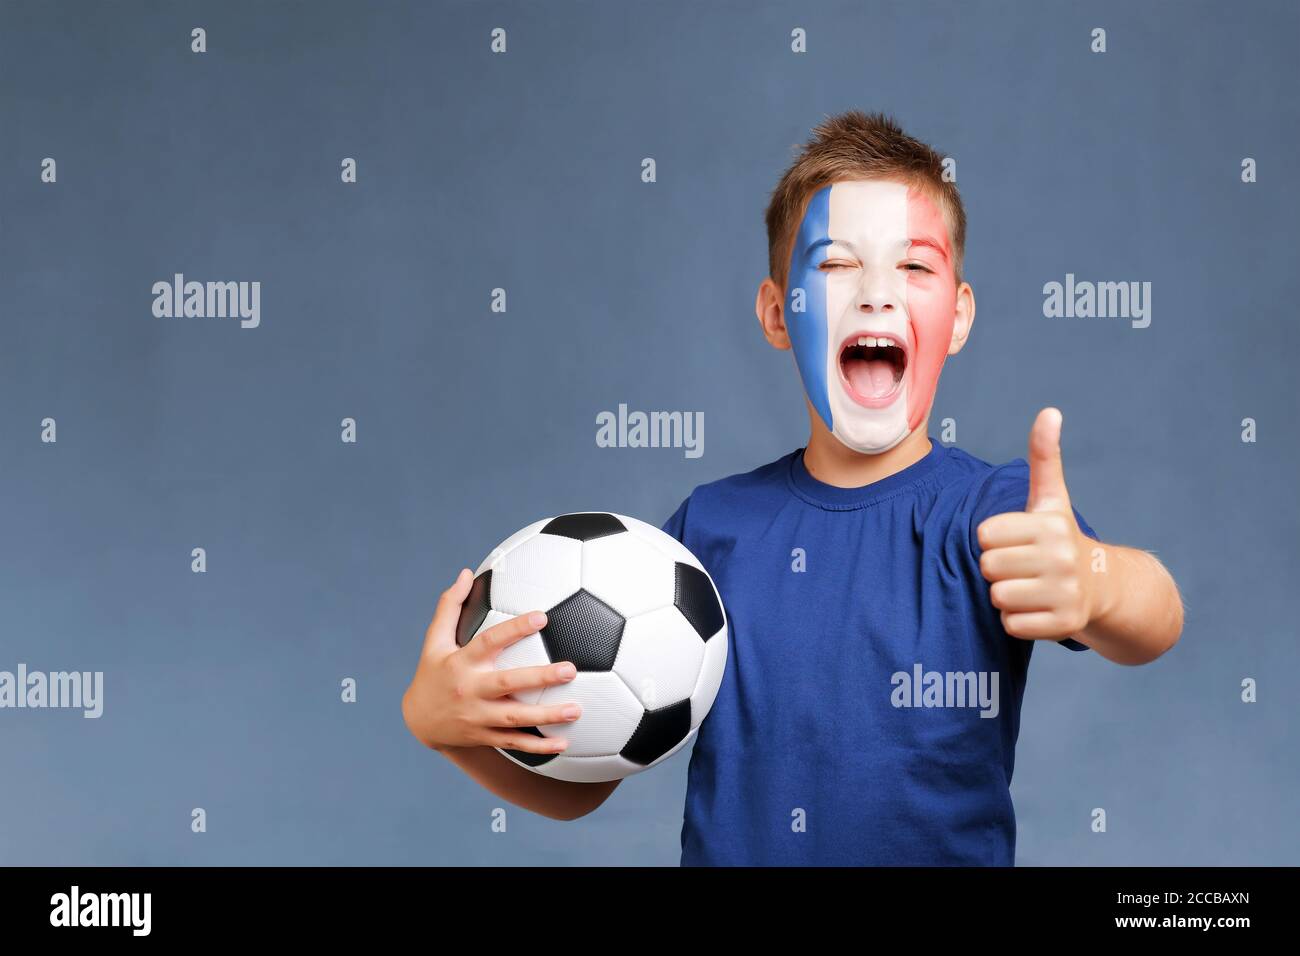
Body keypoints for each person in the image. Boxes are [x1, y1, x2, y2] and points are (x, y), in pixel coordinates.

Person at [401, 111, 1183, 865]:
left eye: (914, 266)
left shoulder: (994, 513)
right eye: (837, 263)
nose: (877, 292)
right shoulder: (703, 535)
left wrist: (1095, 579)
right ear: (778, 313)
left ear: (959, 316)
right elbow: (586, 788)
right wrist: (443, 728)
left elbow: (1156, 619)